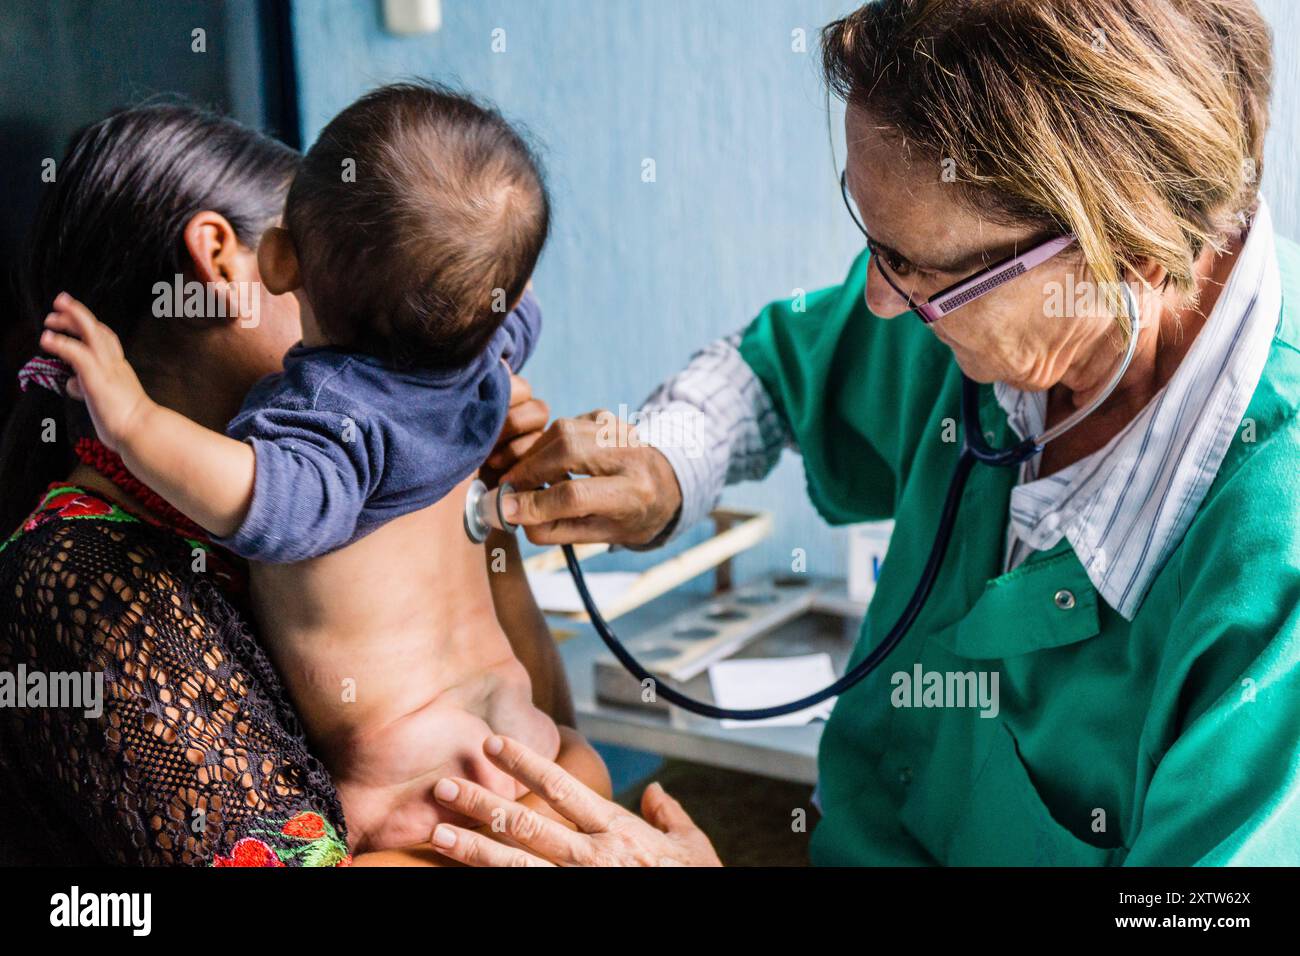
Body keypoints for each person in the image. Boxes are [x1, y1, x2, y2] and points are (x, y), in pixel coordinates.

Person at [425, 0, 1300, 867]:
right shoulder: (987, 313)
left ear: (1128, 248)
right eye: (874, 239)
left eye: (920, 267)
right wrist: (669, 461)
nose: (881, 301)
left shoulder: (1271, 565)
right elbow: (775, 367)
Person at [0, 101, 605, 866]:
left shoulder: (367, 459)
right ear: (222, 260)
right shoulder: (87, 577)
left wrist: (484, 489)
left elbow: (545, 737)